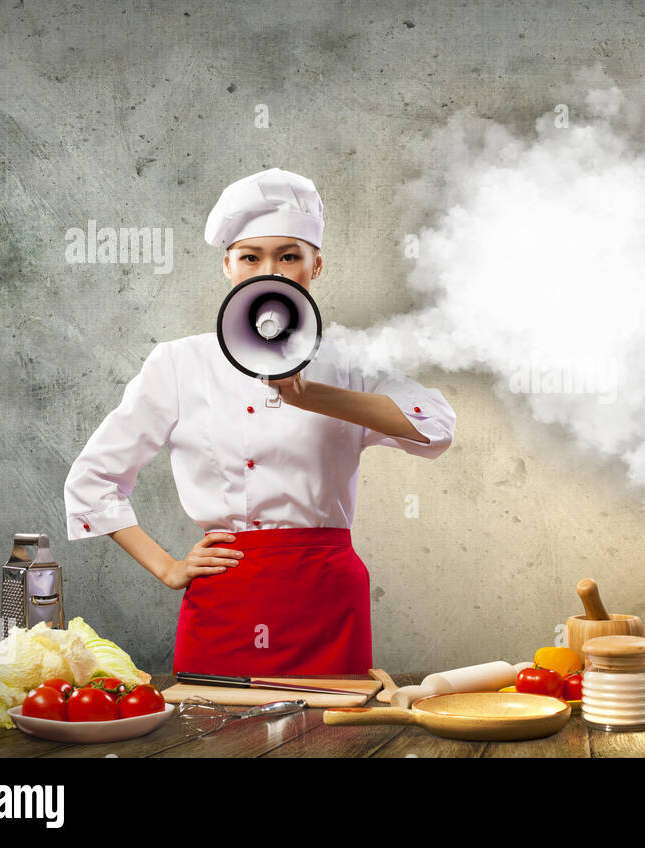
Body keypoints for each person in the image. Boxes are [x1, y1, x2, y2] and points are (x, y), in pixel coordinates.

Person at [63, 168, 455, 676]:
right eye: (251, 257)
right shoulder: (179, 363)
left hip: (327, 597)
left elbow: (436, 427)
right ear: (228, 265)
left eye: (288, 256)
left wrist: (309, 394)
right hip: (229, 595)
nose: (269, 271)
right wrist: (169, 568)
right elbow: (93, 481)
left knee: (331, 746)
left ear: (317, 265)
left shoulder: (352, 362)